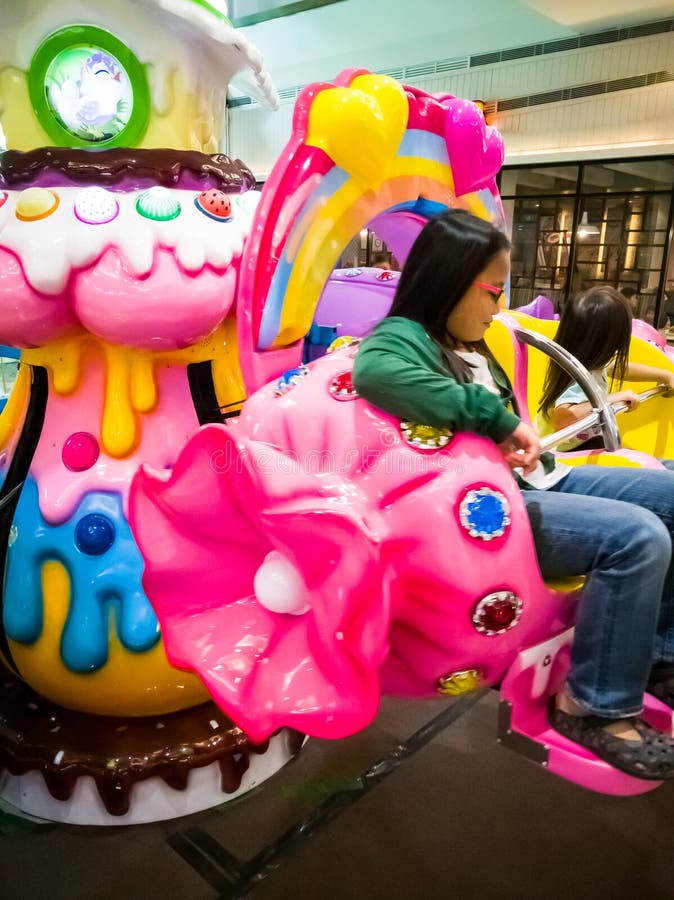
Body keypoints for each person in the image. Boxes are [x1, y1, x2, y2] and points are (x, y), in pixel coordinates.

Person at [353, 208, 674, 780]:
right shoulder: (403, 337)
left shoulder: (471, 339)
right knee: (637, 538)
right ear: (450, 281)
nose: (498, 306)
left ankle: (657, 655)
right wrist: (494, 420)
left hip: (537, 475)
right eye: (492, 290)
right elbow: (376, 374)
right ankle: (593, 705)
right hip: (490, 506)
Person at [536, 285, 674, 452]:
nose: (616, 350)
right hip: (559, 453)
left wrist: (664, 375)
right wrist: (612, 399)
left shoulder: (589, 363)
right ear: (601, 344)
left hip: (579, 446)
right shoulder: (577, 375)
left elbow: (618, 367)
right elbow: (562, 418)